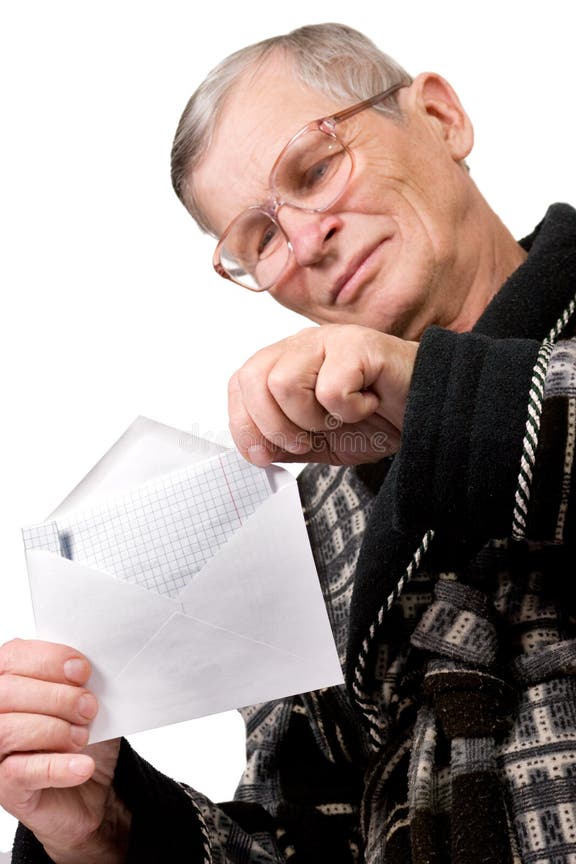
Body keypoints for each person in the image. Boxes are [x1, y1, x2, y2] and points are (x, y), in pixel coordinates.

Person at [2, 21, 576, 863]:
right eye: (260, 239)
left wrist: (432, 394)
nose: (307, 241)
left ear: (443, 117)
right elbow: (314, 836)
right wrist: (111, 825)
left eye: (315, 168)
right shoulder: (307, 514)